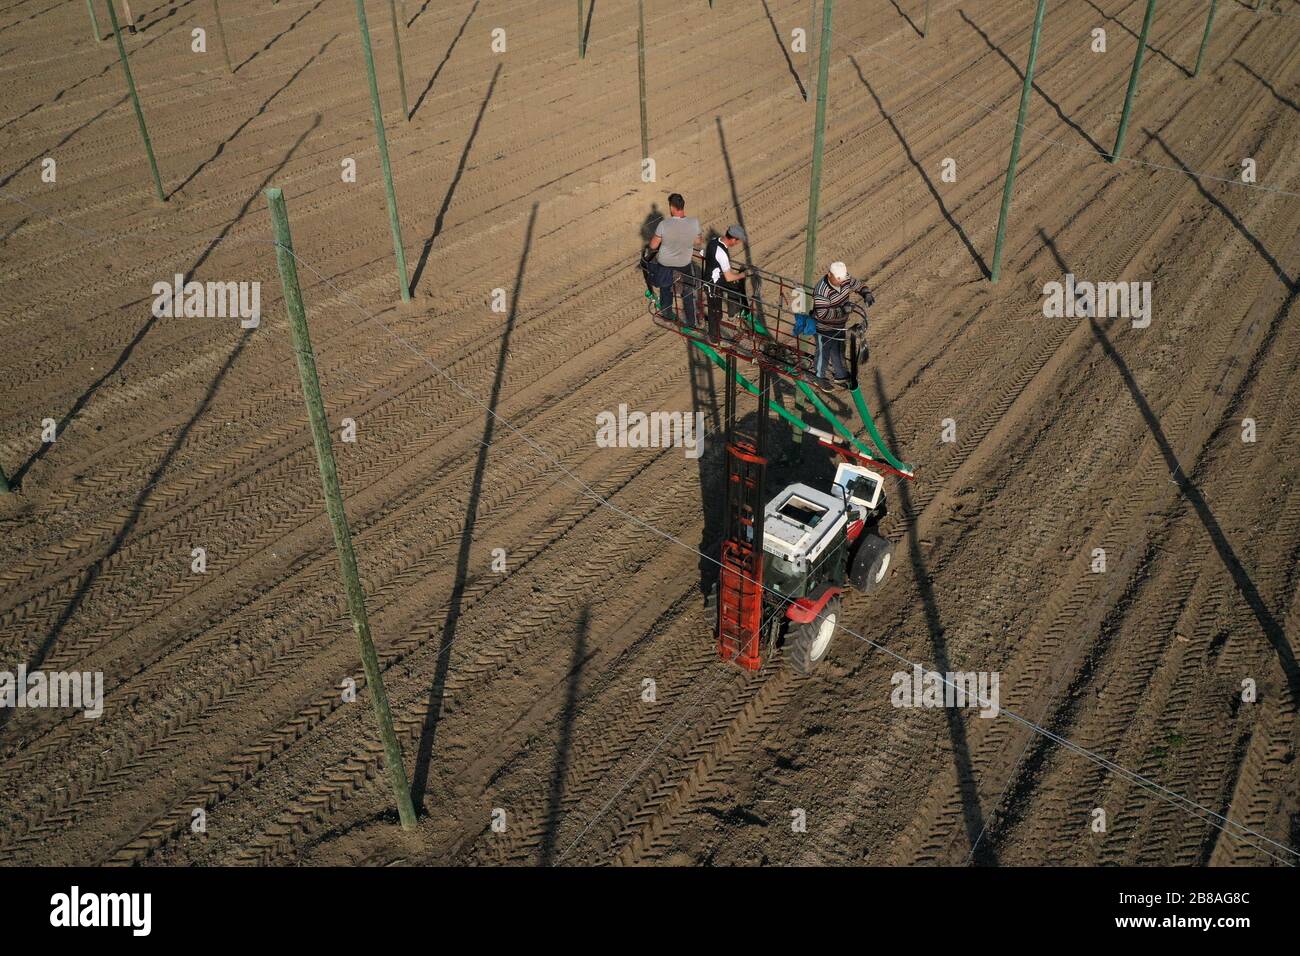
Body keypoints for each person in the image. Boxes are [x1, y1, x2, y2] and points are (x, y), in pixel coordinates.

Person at [812, 261, 874, 391]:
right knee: (824, 352)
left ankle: (841, 376)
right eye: (838, 279)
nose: (841, 282)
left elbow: (857, 285)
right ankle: (819, 377)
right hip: (824, 328)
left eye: (843, 278)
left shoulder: (844, 278)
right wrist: (842, 310)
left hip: (840, 324)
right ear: (829, 275)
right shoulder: (821, 291)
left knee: (838, 349)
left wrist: (866, 293)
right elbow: (823, 314)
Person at [647, 194, 701, 326]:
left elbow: (653, 245)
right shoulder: (694, 222)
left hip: (666, 264)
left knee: (666, 288)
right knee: (688, 292)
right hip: (684, 264)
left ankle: (667, 313)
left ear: (672, 207)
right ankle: (691, 321)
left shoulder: (663, 224)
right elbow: (698, 242)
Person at [701, 225, 748, 342]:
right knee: (715, 312)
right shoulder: (722, 253)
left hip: (715, 277)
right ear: (733, 239)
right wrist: (743, 275)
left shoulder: (713, 241)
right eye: (738, 241)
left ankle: (733, 313)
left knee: (735, 288)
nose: (737, 243)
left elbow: (704, 253)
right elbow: (729, 277)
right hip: (712, 284)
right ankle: (714, 338)